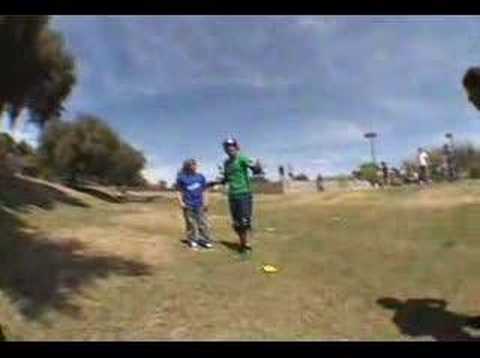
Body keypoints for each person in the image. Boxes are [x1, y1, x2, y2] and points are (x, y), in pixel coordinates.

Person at [216, 138, 263, 257]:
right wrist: (217, 182)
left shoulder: (242, 158)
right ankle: (243, 244)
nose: (229, 148)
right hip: (232, 195)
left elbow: (255, 170)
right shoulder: (226, 163)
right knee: (236, 223)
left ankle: (246, 245)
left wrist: (257, 167)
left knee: (244, 221)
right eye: (226, 147)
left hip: (244, 193)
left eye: (231, 146)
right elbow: (226, 178)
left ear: (236, 147)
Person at [176, 159, 214, 250]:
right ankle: (192, 240)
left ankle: (206, 240)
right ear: (187, 166)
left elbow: (204, 190)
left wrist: (206, 201)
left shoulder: (200, 177)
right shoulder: (181, 178)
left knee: (203, 223)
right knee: (190, 223)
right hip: (188, 204)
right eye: (191, 165)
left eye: (195, 165)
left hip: (200, 204)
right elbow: (178, 191)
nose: (193, 166)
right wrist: (181, 202)